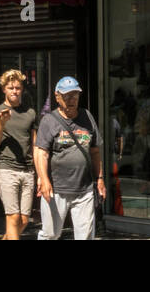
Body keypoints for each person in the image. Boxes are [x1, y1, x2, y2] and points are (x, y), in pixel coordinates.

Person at [33, 76, 104, 240]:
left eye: (75, 95)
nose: (71, 100)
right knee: (51, 234)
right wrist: (44, 180)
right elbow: (41, 153)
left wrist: (100, 178)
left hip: (84, 189)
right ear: (57, 97)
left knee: (85, 236)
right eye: (67, 96)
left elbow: (95, 151)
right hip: (56, 190)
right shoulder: (49, 121)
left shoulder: (87, 117)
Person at [0, 69, 37, 240]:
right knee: (13, 217)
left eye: (17, 87)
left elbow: (35, 145)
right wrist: (1, 123)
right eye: (10, 88)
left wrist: (39, 174)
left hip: (28, 171)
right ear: (4, 89)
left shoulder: (30, 113)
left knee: (23, 219)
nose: (14, 91)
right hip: (7, 170)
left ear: (22, 89)